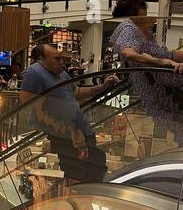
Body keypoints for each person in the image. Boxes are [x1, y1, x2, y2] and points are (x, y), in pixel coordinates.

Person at [108, 0, 183, 143]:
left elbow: (170, 54)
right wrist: (162, 62)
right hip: (164, 97)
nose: (152, 20)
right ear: (135, 17)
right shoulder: (129, 28)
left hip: (173, 91)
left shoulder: (146, 37)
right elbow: (128, 52)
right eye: (144, 16)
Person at [20, 42, 115, 184]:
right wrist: (71, 130)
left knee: (94, 165)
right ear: (41, 59)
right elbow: (31, 106)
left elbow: (76, 92)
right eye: (56, 59)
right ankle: (75, 200)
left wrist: (103, 87)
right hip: (66, 137)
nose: (61, 62)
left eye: (61, 59)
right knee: (77, 171)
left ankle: (83, 198)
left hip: (81, 133)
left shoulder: (61, 74)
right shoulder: (34, 73)